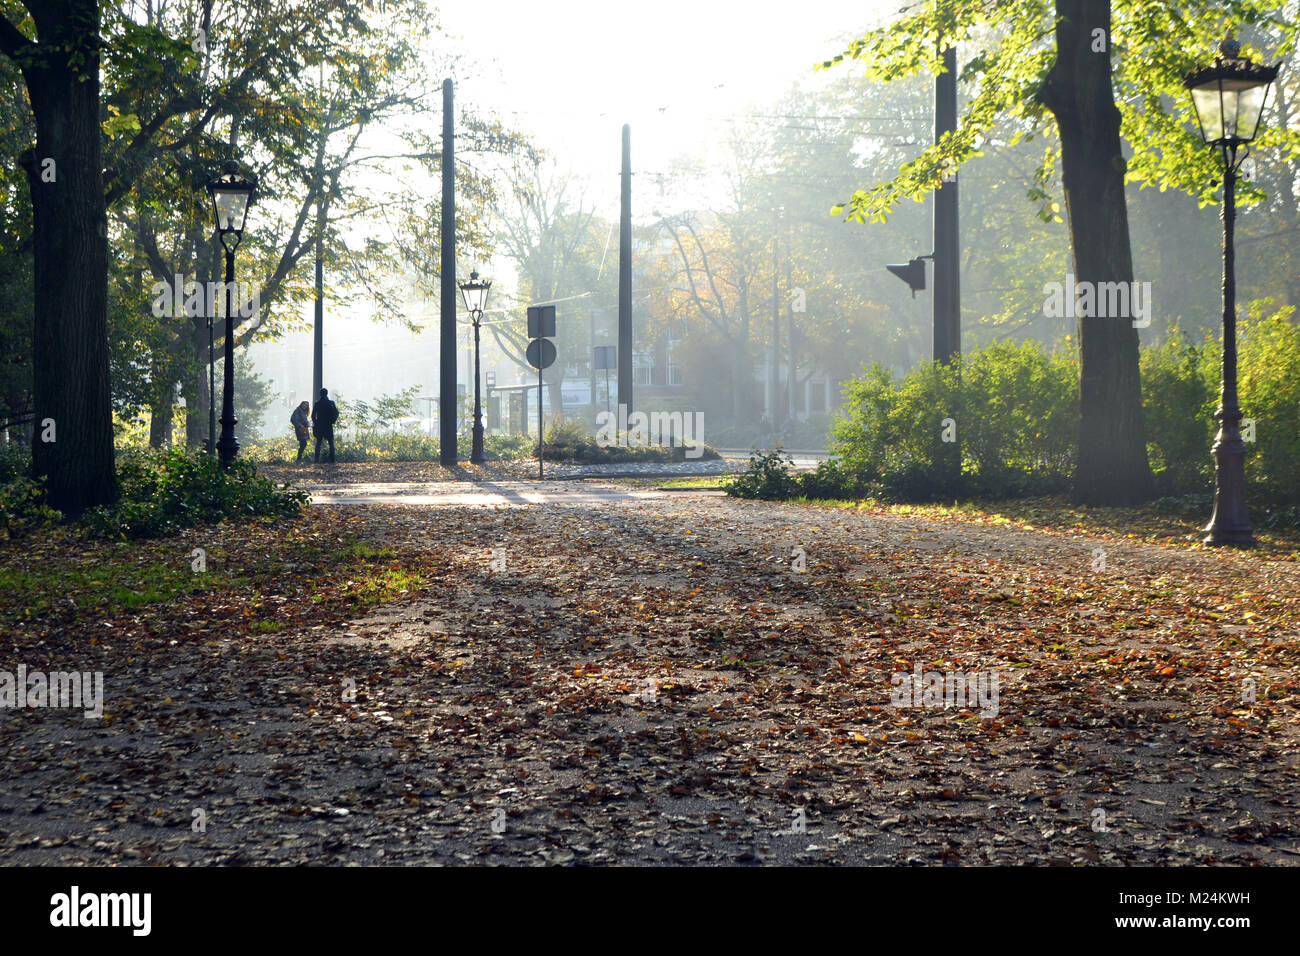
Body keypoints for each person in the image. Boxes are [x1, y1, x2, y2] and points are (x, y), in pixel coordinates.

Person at [311, 387, 339, 463]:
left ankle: (316, 460)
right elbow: (336, 413)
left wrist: (316, 423)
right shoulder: (331, 403)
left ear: (320, 394)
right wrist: (333, 421)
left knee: (318, 443)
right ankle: (333, 459)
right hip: (328, 425)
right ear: (326, 393)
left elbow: (313, 415)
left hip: (320, 426)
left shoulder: (317, 404)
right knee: (331, 443)